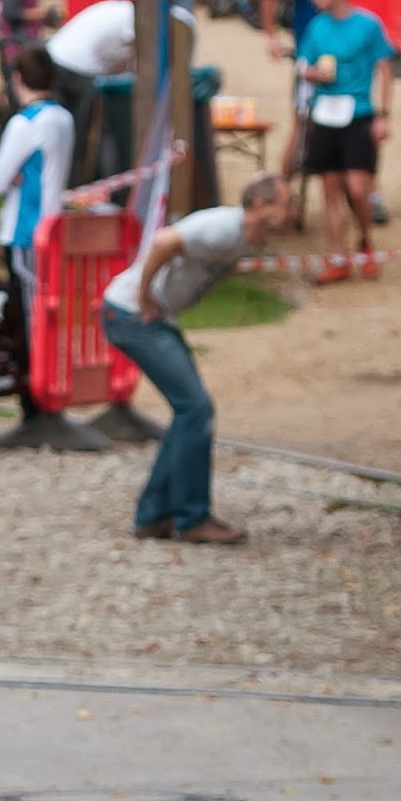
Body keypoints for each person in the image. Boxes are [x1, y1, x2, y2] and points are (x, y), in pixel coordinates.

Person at [102, 173, 294, 544]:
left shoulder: (241, 236)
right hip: (131, 315)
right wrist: (144, 295)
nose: (292, 212)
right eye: (285, 204)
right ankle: (191, 518)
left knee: (189, 412)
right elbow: (163, 241)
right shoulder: (224, 227)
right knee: (195, 409)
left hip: (144, 317)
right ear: (260, 206)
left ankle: (154, 515)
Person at [260, 0, 388, 222]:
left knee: (324, 128)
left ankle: (361, 196)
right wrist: (272, 35)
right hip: (313, 58)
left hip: (323, 59)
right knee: (305, 127)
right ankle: (284, 199)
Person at [0, 44, 75, 429]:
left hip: (24, 234)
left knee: (28, 317)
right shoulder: (63, 118)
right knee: (49, 315)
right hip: (54, 230)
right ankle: (50, 394)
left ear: (18, 79)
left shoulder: (24, 123)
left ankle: (32, 402)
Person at [298, 0, 394, 285]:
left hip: (358, 113)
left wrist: (383, 115)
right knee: (329, 190)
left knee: (357, 188)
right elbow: (304, 66)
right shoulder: (316, 27)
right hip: (325, 113)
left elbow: (385, 67)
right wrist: (312, 74)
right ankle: (338, 256)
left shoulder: (368, 24)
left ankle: (365, 241)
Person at [46, 0, 137, 183]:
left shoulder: (123, 10)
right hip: (77, 67)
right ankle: (78, 179)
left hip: (59, 57)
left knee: (65, 126)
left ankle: (66, 177)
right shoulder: (132, 18)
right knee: (84, 130)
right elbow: (138, 59)